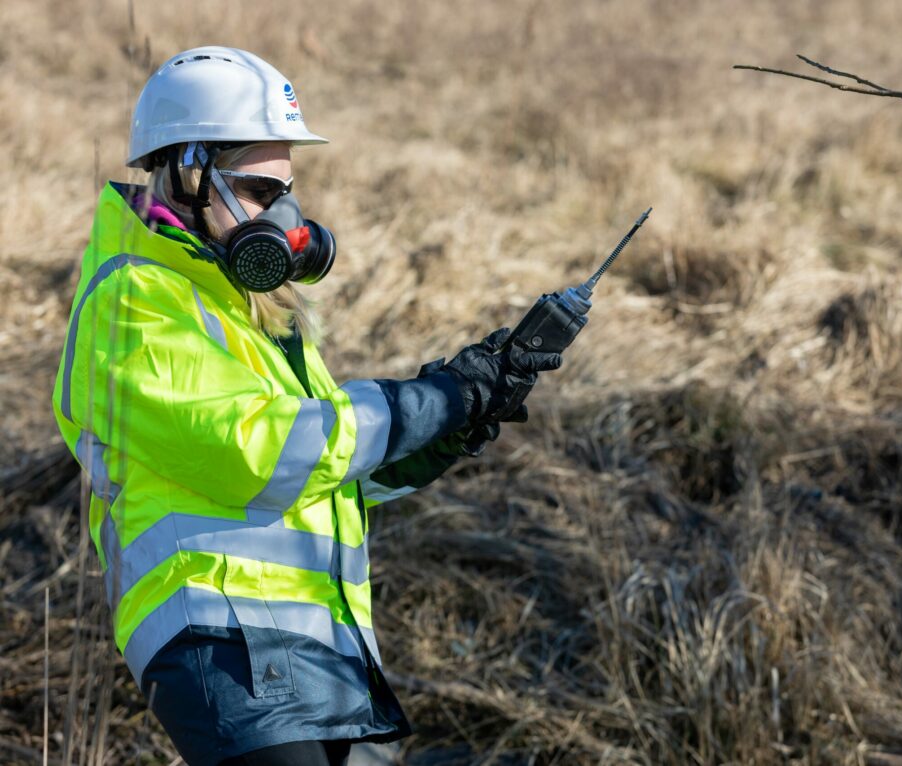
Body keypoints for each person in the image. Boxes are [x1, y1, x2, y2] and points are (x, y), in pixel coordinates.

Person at [51, 47, 561, 766]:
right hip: (220, 637)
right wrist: (434, 399)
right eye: (261, 191)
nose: (287, 218)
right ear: (188, 174)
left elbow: (328, 473)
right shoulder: (133, 303)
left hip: (326, 642)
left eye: (286, 190)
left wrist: (456, 421)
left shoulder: (250, 310)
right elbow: (260, 453)